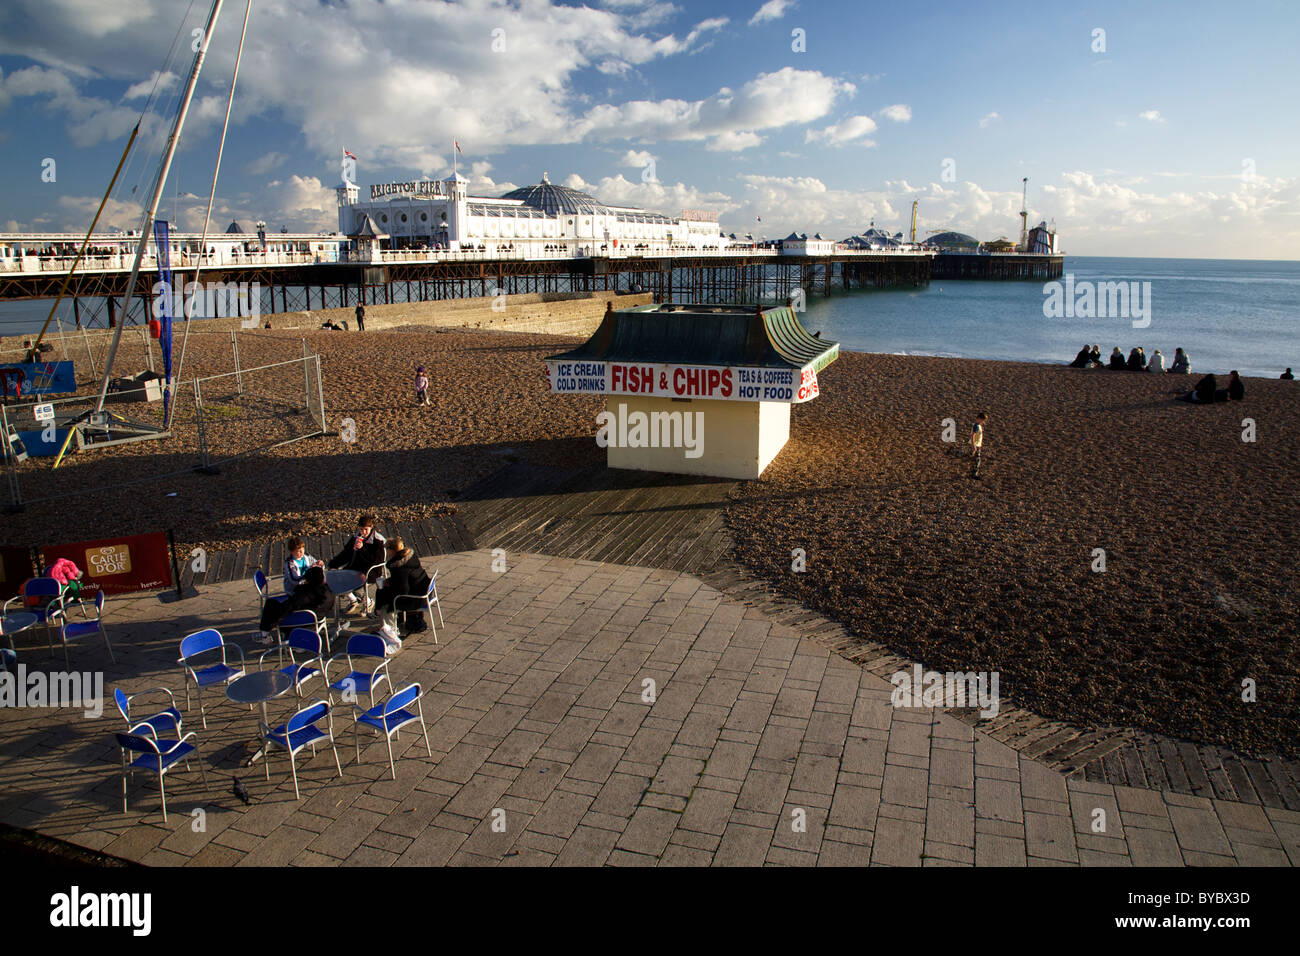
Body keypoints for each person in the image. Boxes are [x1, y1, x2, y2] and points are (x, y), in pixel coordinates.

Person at [326, 513, 386, 612]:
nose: (363, 532)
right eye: (361, 529)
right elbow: (346, 553)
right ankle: (353, 600)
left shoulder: (378, 540)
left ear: (371, 527)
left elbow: (376, 561)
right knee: (339, 577)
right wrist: (333, 564)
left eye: (366, 529)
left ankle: (368, 601)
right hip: (356, 566)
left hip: (372, 570)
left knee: (355, 583)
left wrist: (362, 549)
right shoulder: (356, 537)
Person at [373, 537, 431, 637]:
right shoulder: (411, 557)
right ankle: (392, 621)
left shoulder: (399, 567)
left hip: (415, 599)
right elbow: (407, 579)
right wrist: (391, 581)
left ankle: (388, 631)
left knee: (385, 601)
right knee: (384, 594)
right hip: (424, 591)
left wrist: (389, 586)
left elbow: (402, 590)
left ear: (391, 551)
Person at [258, 564, 332, 642]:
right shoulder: (329, 592)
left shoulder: (305, 595)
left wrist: (273, 621)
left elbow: (288, 607)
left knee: (270, 603)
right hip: (318, 619)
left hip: (304, 621)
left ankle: (264, 634)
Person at [969, 412, 987, 479]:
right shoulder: (976, 426)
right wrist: (973, 445)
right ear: (979, 419)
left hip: (977, 445)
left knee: (975, 458)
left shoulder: (978, 426)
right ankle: (974, 474)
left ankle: (974, 473)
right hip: (974, 444)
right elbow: (972, 435)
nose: (983, 421)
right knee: (976, 459)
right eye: (983, 420)